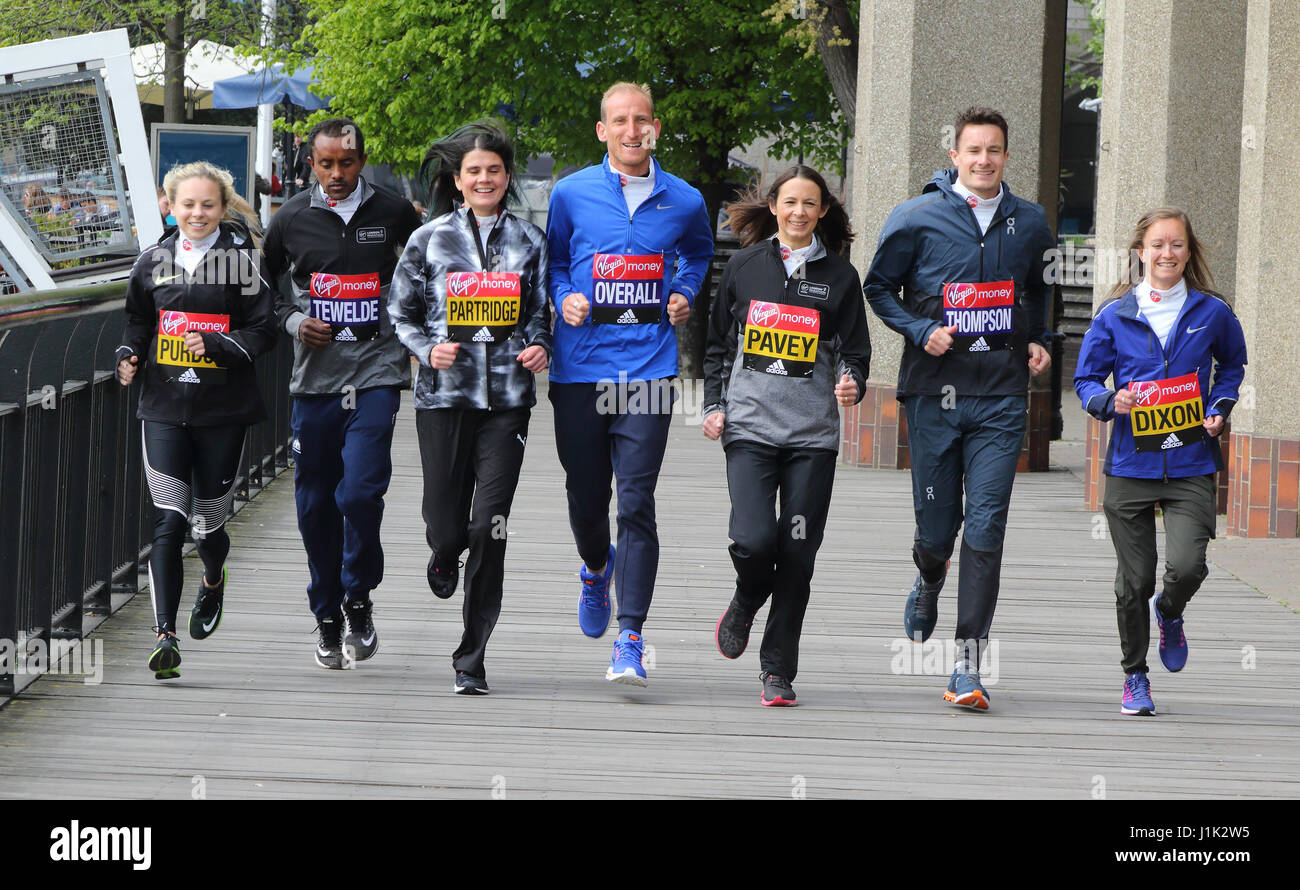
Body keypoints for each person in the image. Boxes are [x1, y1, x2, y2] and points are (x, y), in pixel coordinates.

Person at [864, 106, 1054, 711]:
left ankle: (966, 664)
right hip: (934, 395)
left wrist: (1041, 342)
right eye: (973, 150)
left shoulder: (1030, 222)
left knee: (989, 523)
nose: (983, 160)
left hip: (1000, 396)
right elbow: (877, 289)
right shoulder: (915, 216)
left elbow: (1044, 290)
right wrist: (919, 330)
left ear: (1005, 155)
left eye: (994, 150)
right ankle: (927, 573)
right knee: (937, 528)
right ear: (954, 155)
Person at [546, 82, 714, 685]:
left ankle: (632, 637)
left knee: (636, 502)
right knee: (587, 499)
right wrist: (563, 296)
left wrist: (684, 292)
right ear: (603, 131)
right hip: (581, 371)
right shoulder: (569, 194)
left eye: (641, 120)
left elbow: (696, 255)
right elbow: (556, 261)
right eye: (620, 121)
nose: (632, 130)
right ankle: (595, 568)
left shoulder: (686, 200)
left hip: (648, 370)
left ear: (656, 129)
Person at [389, 122, 551, 694]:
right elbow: (400, 313)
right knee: (447, 522)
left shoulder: (531, 241)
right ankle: (442, 552)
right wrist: (426, 349)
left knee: (491, 526)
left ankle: (471, 659)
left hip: (508, 402)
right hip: (444, 400)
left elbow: (540, 312)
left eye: (495, 170)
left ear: (507, 177)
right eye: (473, 171)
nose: (484, 178)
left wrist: (540, 344)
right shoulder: (427, 239)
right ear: (457, 181)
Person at [703, 166, 870, 706]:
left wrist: (852, 381)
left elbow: (856, 351)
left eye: (811, 203)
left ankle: (778, 670)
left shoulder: (841, 277)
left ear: (823, 212)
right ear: (774, 206)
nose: (800, 211)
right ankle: (748, 593)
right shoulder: (745, 266)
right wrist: (713, 405)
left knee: (797, 553)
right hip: (750, 429)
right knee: (753, 541)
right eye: (790, 201)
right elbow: (716, 346)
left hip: (811, 438)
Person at [263, 117, 422, 670]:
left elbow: (429, 266)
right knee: (313, 503)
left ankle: (359, 596)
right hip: (316, 381)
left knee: (359, 492)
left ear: (363, 160)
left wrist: (416, 326)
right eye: (326, 164)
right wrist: (292, 322)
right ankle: (327, 614)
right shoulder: (290, 219)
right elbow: (265, 292)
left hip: (377, 371)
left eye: (347, 163)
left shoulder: (395, 212)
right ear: (311, 162)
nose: (336, 174)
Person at [1074, 207, 1246, 716]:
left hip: (1192, 461)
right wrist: (1111, 402)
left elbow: (1233, 365)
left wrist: (1219, 407)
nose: (1166, 254)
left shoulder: (1213, 312)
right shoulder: (1114, 315)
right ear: (1140, 252)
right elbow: (1085, 381)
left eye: (1176, 245)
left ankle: (1170, 612)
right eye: (1157, 245)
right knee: (1135, 581)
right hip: (1130, 466)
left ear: (1188, 253)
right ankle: (1135, 676)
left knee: (1189, 565)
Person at [115, 161, 277, 679]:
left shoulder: (241, 264)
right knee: (169, 518)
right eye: (188, 204)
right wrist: (129, 354)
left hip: (220, 411)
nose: (198, 213)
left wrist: (219, 345)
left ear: (223, 207)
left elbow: (265, 329)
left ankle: (212, 580)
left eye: (208, 204)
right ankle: (165, 636)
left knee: (207, 524)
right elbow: (139, 319)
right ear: (171, 205)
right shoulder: (153, 260)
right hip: (163, 406)